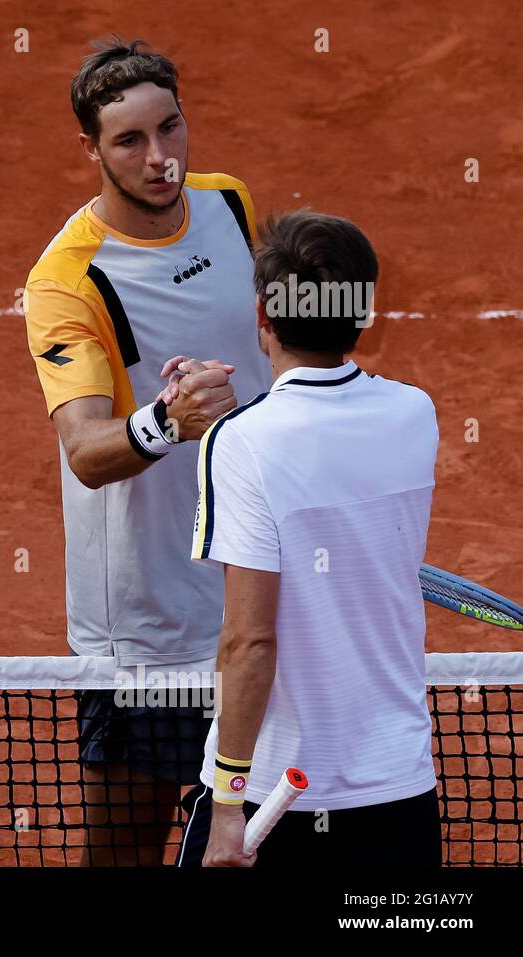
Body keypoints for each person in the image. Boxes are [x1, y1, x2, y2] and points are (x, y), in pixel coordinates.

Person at [23, 37, 273, 865]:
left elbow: (271, 359)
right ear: (90, 149)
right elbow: (86, 450)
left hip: (255, 596)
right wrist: (167, 419)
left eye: (170, 129)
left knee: (256, 834)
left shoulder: (229, 204)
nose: (159, 158)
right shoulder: (69, 279)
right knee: (125, 855)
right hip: (150, 630)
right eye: (130, 141)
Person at [177, 211, 440, 868]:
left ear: (263, 316)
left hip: (273, 798)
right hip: (399, 794)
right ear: (364, 312)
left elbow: (249, 640)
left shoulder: (239, 443)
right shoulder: (417, 414)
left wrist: (230, 805)